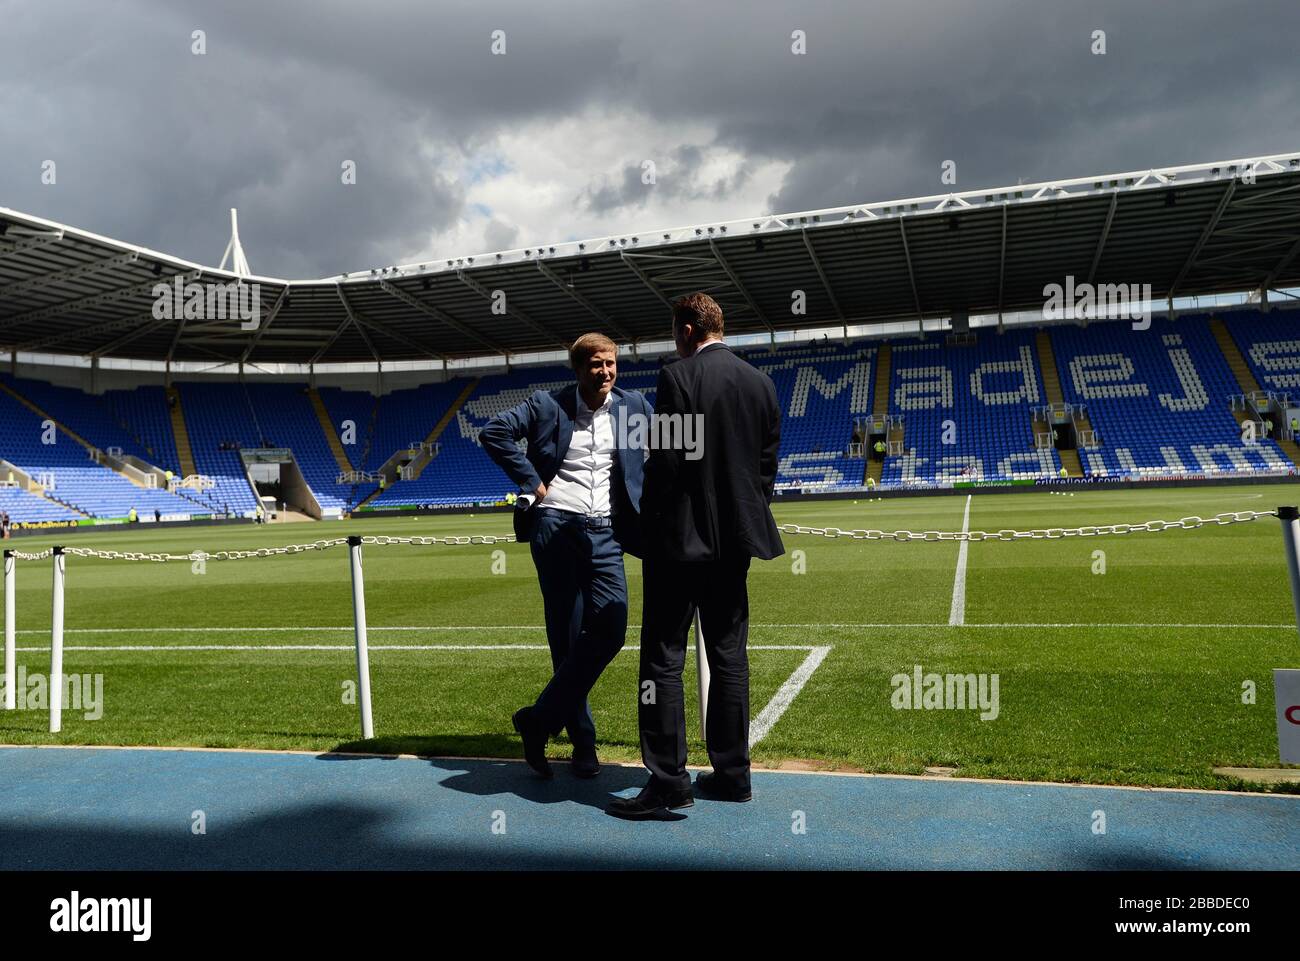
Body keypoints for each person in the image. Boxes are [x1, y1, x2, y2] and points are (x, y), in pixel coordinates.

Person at [608, 292, 784, 820]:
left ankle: (668, 781)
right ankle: (732, 774)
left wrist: (648, 527)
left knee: (663, 658)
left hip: (680, 545)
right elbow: (765, 467)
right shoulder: (762, 382)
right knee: (729, 656)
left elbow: (664, 465)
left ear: (686, 330)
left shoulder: (678, 378)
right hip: (735, 544)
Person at [480, 332, 654, 779]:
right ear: (577, 369)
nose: (606, 372)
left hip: (608, 533)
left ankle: (536, 721)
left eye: (611, 363)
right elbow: (493, 431)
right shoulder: (546, 404)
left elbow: (677, 442)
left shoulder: (634, 407)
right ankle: (584, 745)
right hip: (556, 527)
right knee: (567, 637)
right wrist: (531, 481)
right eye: (596, 364)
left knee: (611, 629)